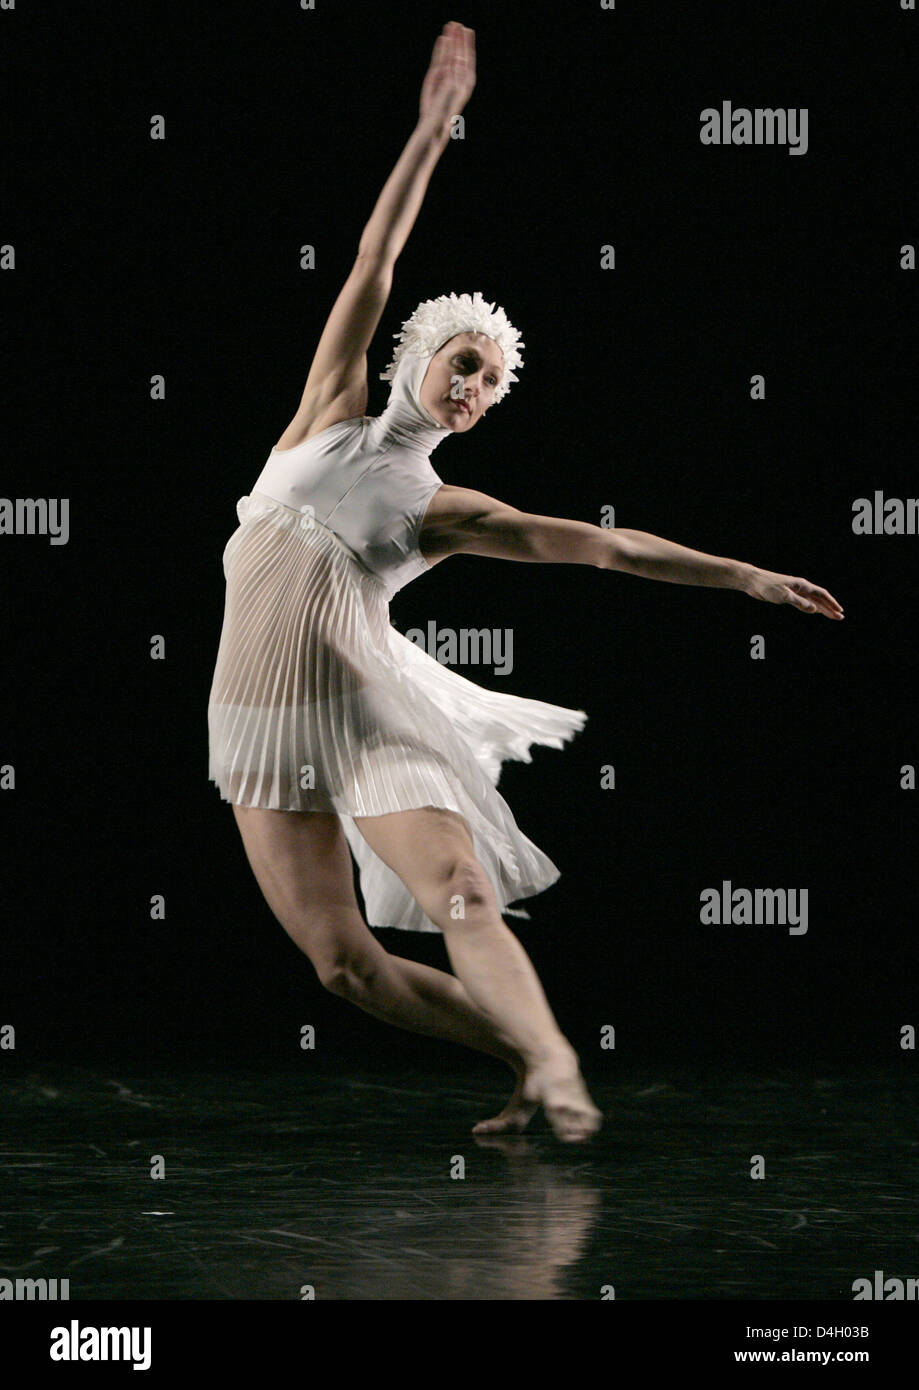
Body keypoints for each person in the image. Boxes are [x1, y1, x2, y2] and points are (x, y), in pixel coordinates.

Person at [207, 22, 843, 1144]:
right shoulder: (320, 418)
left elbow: (604, 547)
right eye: (468, 362)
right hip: (255, 722)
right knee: (344, 967)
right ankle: (521, 1057)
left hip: (360, 716)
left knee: (456, 890)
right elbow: (374, 258)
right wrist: (431, 129)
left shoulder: (445, 510)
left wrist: (744, 574)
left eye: (495, 384)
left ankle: (554, 1062)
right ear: (420, 353)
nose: (478, 387)